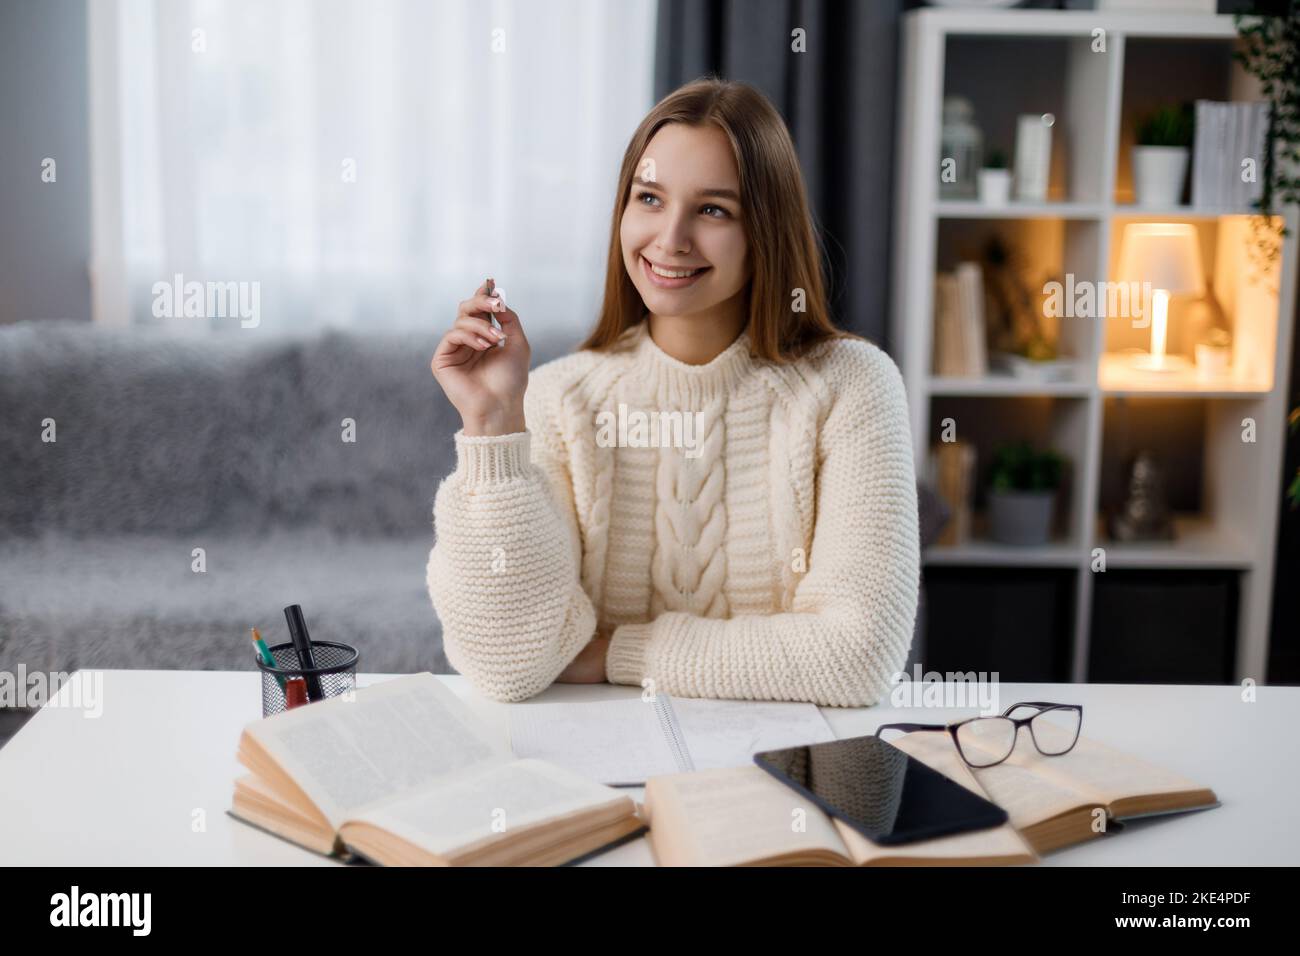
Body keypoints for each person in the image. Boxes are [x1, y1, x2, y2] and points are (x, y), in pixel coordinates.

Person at [428, 77, 919, 706]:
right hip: (600, 767)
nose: (671, 238)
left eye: (713, 209)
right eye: (650, 198)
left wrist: (615, 652)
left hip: (782, 772)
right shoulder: (558, 399)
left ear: (765, 230)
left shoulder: (851, 386)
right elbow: (507, 664)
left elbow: (856, 658)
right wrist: (492, 427)